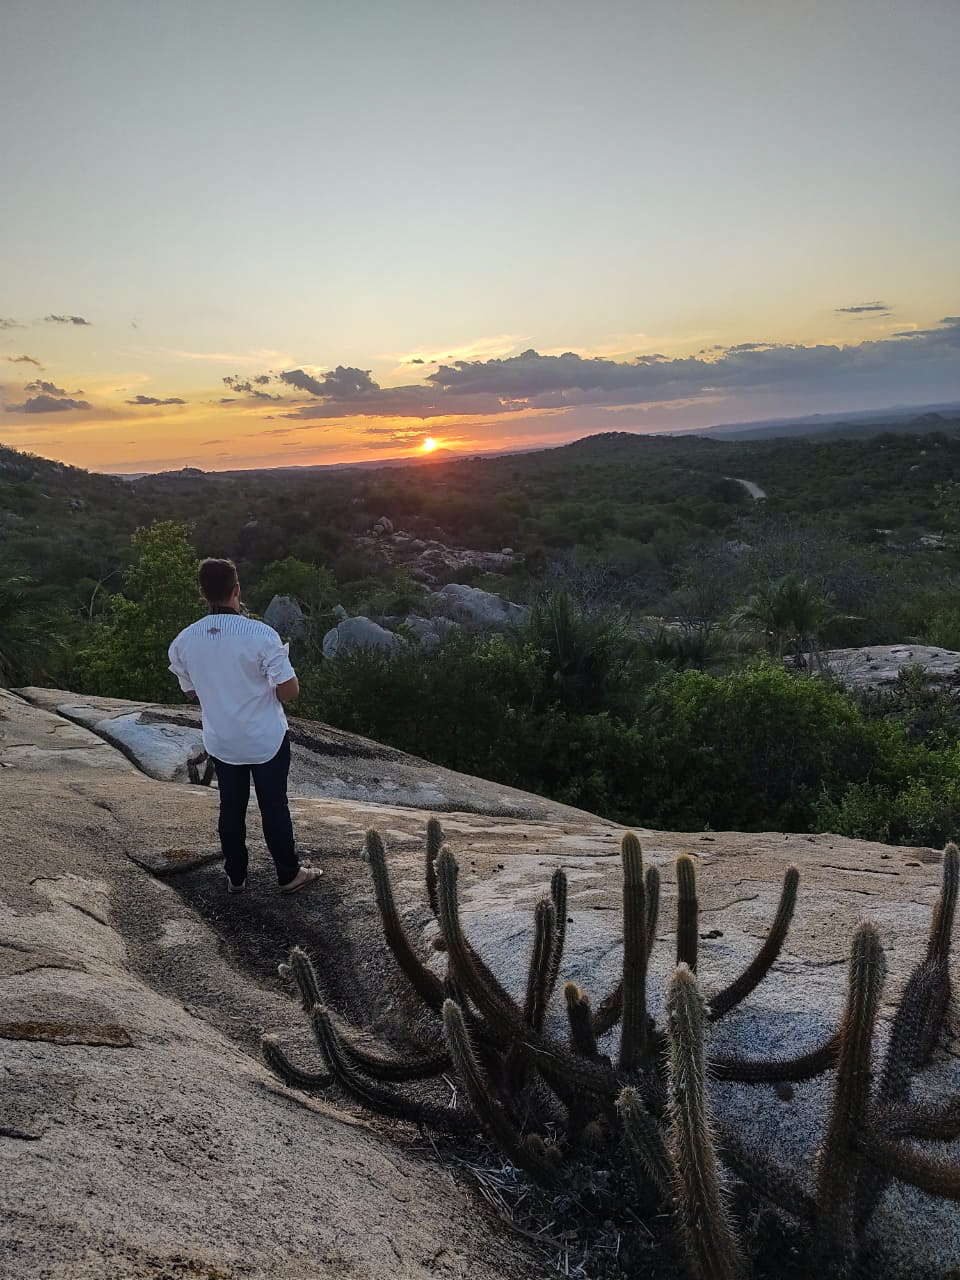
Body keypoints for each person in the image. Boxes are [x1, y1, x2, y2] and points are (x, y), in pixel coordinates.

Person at [167, 557, 321, 895]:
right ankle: (288, 874)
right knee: (273, 805)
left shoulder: (183, 641)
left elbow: (191, 691)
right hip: (265, 738)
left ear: (203, 593)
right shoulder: (261, 635)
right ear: (236, 589)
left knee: (230, 807)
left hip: (222, 739)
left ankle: (235, 876)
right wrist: (261, 691)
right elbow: (290, 690)